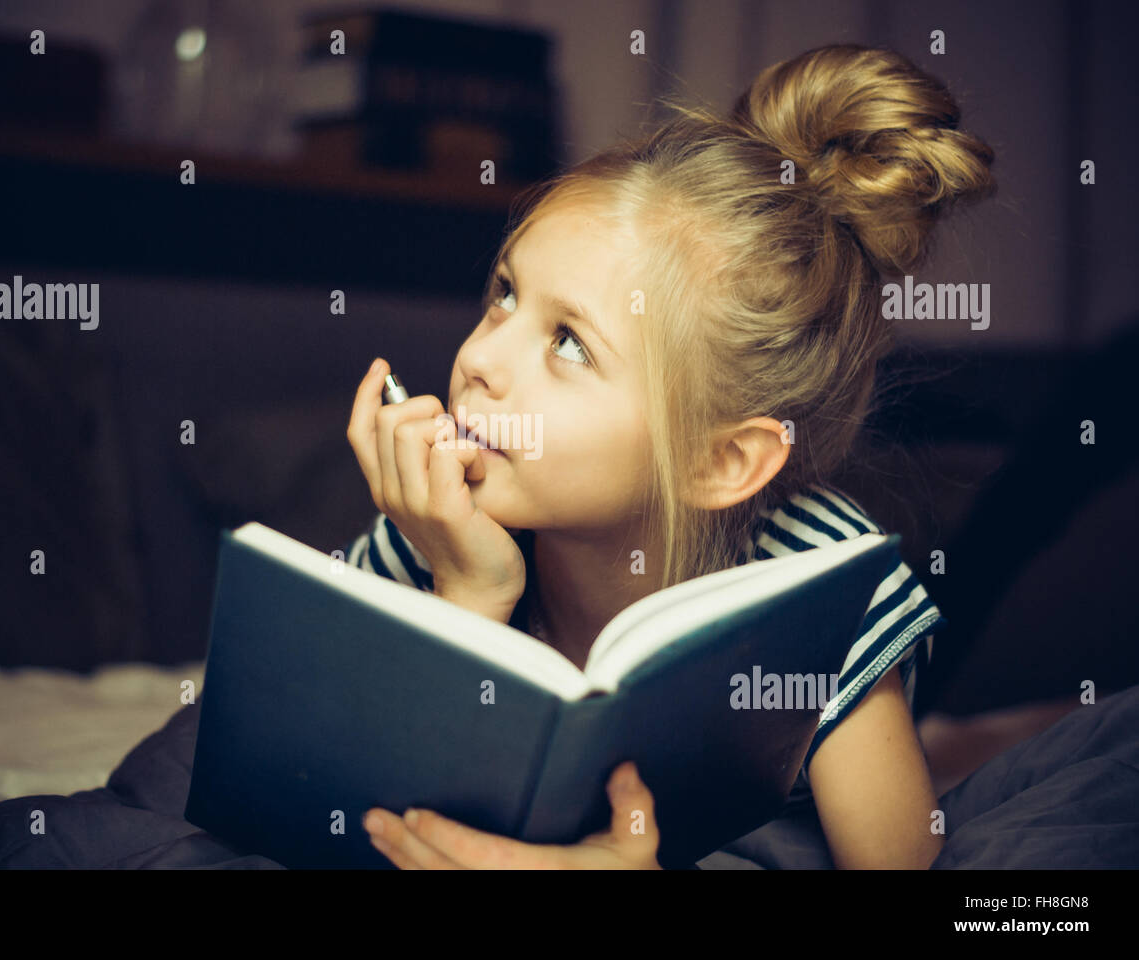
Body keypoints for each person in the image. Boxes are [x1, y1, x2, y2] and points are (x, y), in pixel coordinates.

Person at [343, 43, 996, 869]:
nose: (482, 359)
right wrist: (469, 591)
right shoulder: (435, 527)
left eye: (570, 344)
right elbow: (383, 824)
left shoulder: (827, 585)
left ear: (719, 461)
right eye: (506, 293)